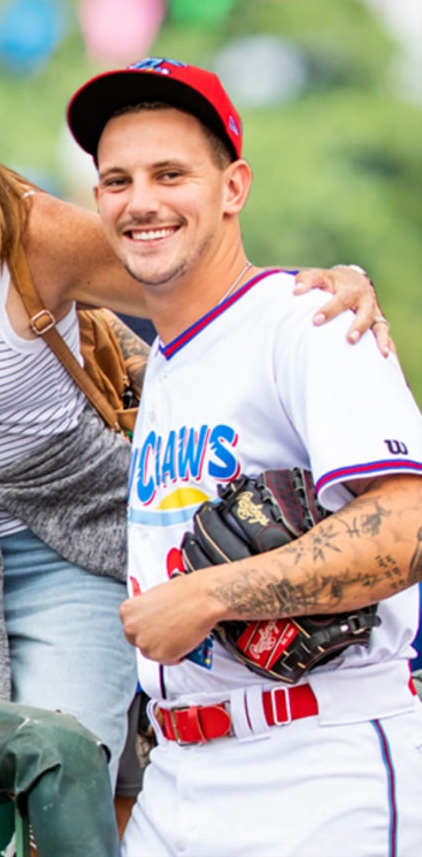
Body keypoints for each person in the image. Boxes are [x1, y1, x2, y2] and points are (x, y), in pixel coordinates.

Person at [0, 5, 392, 854]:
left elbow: (196, 273)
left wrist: (328, 286)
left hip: (74, 543)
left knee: (52, 798)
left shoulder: (48, 237)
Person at [68, 57, 421, 854]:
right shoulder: (163, 359)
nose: (143, 200)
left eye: (171, 173)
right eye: (118, 180)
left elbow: (408, 526)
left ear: (233, 187)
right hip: (181, 774)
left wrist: (213, 594)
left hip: (321, 767)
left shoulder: (308, 323)